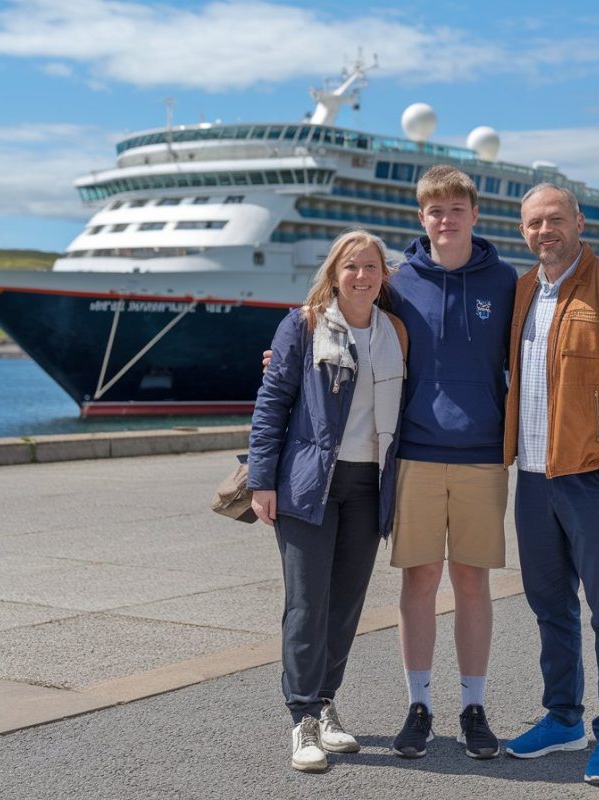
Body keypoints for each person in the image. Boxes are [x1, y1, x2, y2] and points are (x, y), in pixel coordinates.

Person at [501, 184, 599, 785]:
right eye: (535, 222)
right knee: (549, 606)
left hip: (592, 477)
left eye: (556, 219)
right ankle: (563, 716)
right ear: (523, 231)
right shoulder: (521, 292)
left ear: (578, 221)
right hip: (535, 476)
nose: (546, 230)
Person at [248, 229, 408, 774]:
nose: (361, 276)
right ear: (334, 274)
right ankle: (301, 719)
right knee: (307, 603)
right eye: (351, 267)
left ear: (384, 275)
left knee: (345, 606)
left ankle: (325, 702)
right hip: (310, 483)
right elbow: (272, 403)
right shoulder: (305, 324)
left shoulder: (395, 333)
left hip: (369, 484)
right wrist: (262, 480)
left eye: (371, 267)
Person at [387, 165, 517, 760]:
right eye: (434, 210)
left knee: (472, 581)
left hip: (483, 455)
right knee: (419, 580)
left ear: (473, 214)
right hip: (416, 450)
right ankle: (418, 704)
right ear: (422, 218)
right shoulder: (397, 281)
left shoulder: (506, 282)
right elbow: (345, 322)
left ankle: (473, 706)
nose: (445, 219)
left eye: (455, 209)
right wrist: (280, 350)